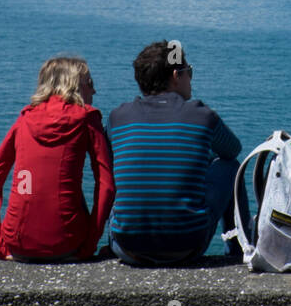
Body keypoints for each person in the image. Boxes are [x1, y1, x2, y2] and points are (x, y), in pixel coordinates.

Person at [107, 40, 250, 266]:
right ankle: (239, 249)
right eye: (189, 72)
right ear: (176, 75)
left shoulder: (118, 118)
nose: (191, 79)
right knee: (231, 168)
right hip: (188, 245)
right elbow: (232, 150)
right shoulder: (202, 115)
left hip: (127, 248)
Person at [0, 55, 115, 262]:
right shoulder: (87, 118)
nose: (94, 90)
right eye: (90, 83)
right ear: (75, 85)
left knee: (30, 184)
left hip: (18, 242)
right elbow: (106, 187)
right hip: (67, 242)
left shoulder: (24, 119)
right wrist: (89, 245)